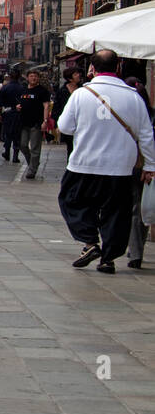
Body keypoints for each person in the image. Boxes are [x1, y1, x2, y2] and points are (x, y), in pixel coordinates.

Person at [57, 49, 155, 273]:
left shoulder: (81, 94)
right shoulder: (133, 96)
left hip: (85, 162)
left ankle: (90, 242)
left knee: (72, 201)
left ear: (92, 68)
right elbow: (146, 134)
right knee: (116, 212)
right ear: (118, 67)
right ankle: (108, 259)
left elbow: (65, 127)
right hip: (120, 166)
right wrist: (150, 165)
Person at [126, 78, 155, 269]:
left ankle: (135, 251)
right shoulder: (151, 116)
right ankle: (136, 248)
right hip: (146, 167)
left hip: (132, 166)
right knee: (142, 209)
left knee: (136, 210)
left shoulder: (126, 114)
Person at [14, 69, 53, 179]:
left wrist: (45, 121)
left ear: (38, 78)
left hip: (36, 123)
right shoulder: (23, 90)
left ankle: (32, 170)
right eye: (31, 76)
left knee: (35, 147)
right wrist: (17, 107)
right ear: (27, 78)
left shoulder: (42, 91)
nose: (33, 78)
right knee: (23, 145)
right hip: (23, 122)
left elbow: (46, 106)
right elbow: (19, 103)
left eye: (35, 76)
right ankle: (32, 162)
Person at [0, 69, 23, 163]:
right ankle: (15, 156)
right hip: (19, 113)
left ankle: (7, 152)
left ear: (10, 76)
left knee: (8, 134)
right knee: (17, 135)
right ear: (19, 76)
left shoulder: (5, 88)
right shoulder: (22, 88)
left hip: (7, 112)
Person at [54, 66, 84, 157]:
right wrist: (57, 124)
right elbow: (57, 108)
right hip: (69, 121)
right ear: (69, 77)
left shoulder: (83, 89)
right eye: (75, 74)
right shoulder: (62, 91)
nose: (78, 75)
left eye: (78, 73)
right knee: (70, 147)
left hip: (81, 122)